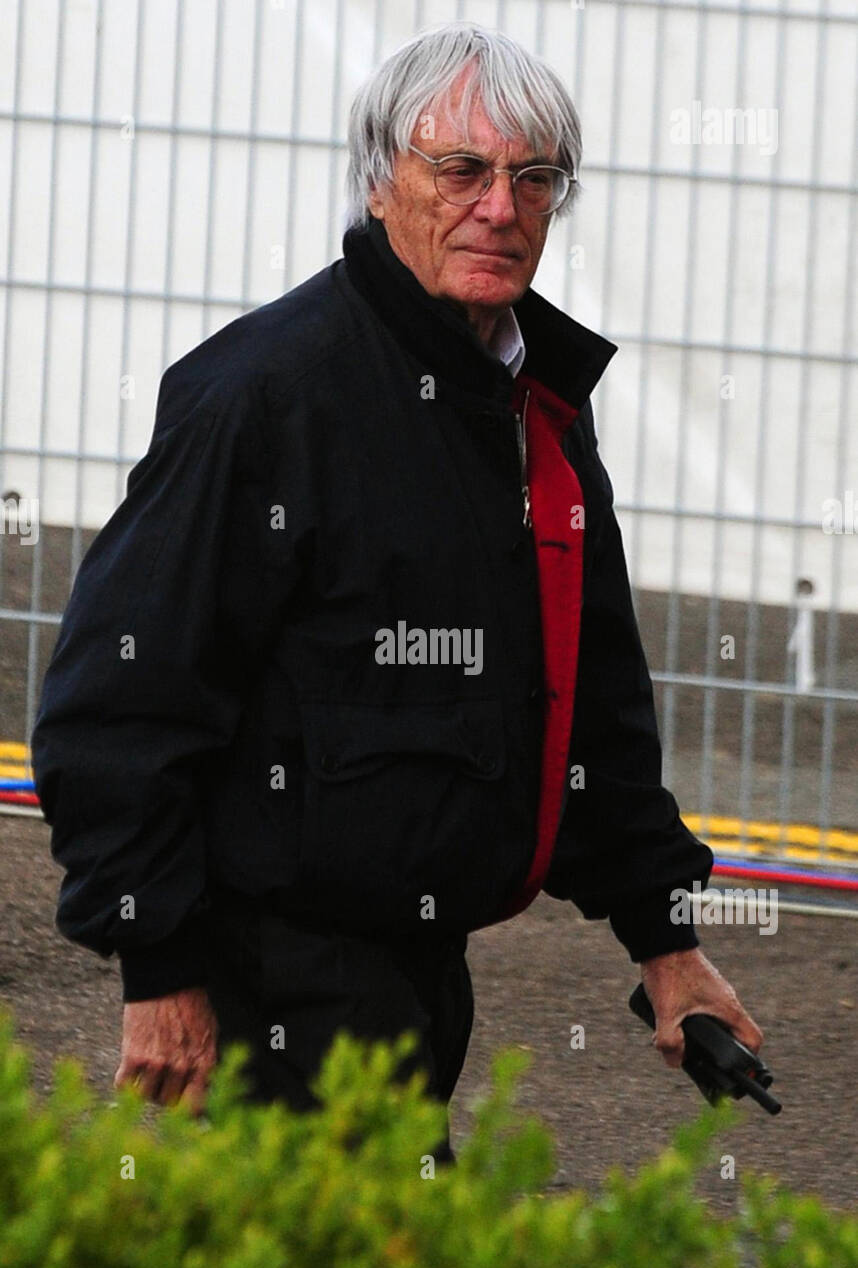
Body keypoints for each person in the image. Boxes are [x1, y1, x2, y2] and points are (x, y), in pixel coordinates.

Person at [31, 23, 762, 1157]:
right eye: (460, 170)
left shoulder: (532, 410)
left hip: (419, 974)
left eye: (533, 178)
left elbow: (588, 701)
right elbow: (118, 703)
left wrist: (668, 942)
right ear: (382, 181)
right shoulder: (268, 398)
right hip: (272, 978)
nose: (499, 207)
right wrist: (160, 966)